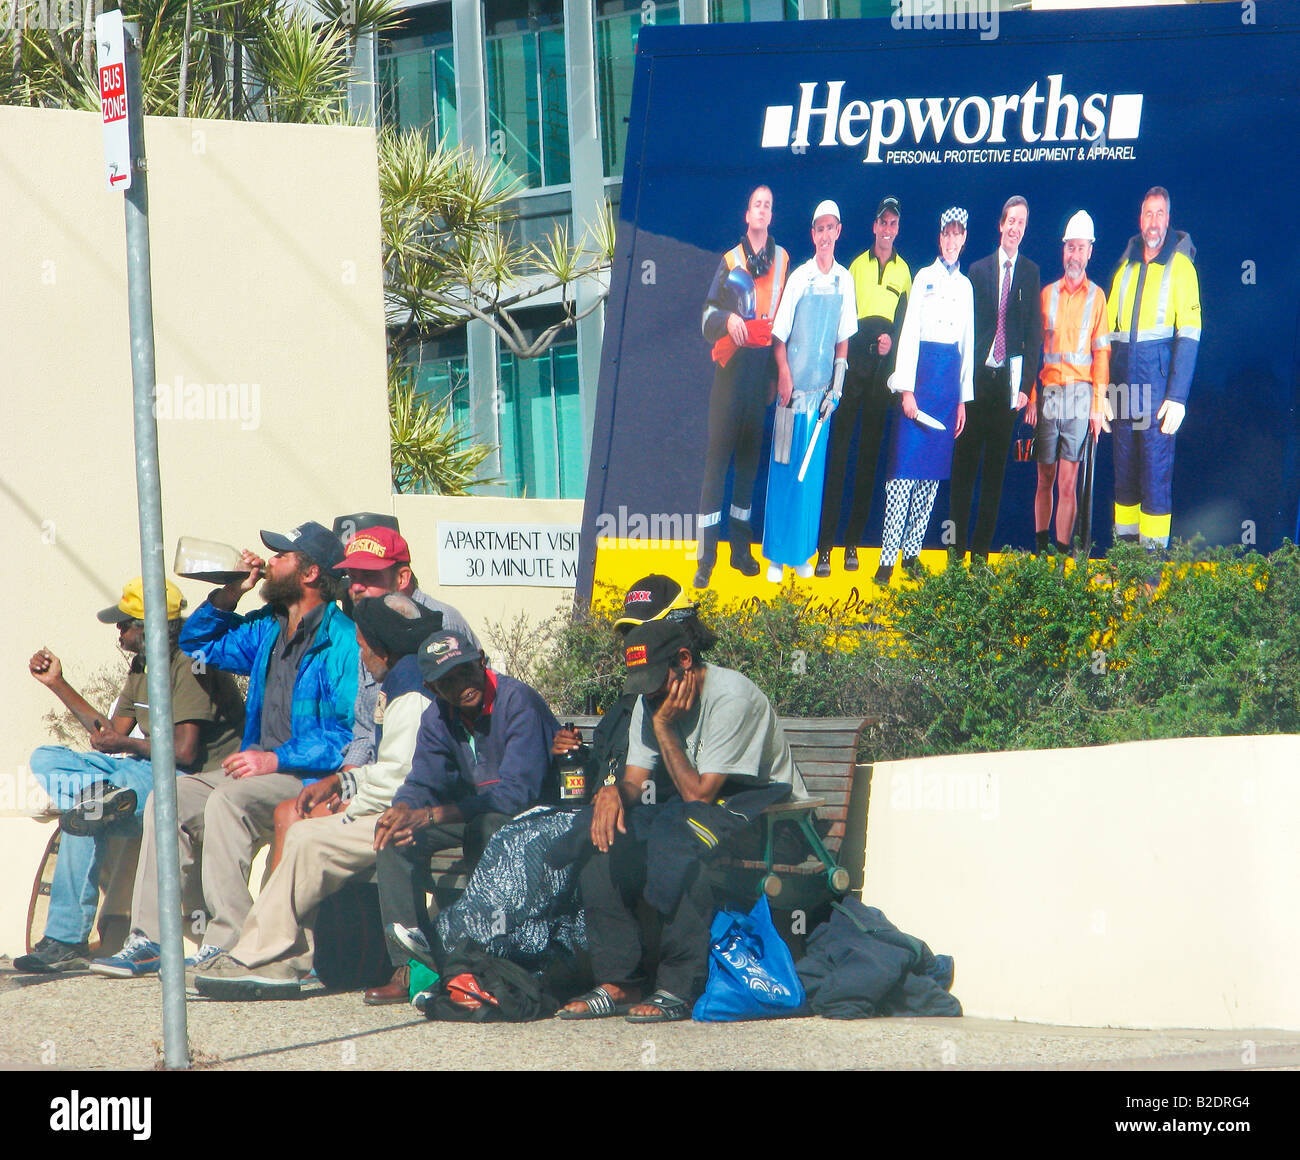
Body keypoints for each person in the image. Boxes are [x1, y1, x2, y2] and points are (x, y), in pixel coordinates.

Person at [90, 521, 357, 978]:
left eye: (281, 556)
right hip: (258, 768)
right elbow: (196, 643)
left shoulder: (343, 639)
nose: (268, 561)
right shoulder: (266, 628)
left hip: (307, 775)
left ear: (310, 573)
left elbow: (344, 733)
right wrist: (232, 591)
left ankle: (227, 939)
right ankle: (151, 939)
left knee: (228, 800)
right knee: (169, 798)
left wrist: (277, 758)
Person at [190, 594, 442, 999]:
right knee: (306, 836)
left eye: (363, 646)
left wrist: (348, 799)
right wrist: (343, 786)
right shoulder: (397, 682)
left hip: (414, 818)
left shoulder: (410, 694)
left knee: (312, 837)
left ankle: (262, 957)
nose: (360, 654)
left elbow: (400, 777)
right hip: (395, 807)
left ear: (383, 647)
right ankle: (275, 956)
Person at [559, 616, 806, 1022]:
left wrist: (663, 725)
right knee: (602, 835)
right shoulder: (648, 699)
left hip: (772, 822)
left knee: (682, 843)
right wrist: (611, 793)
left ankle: (678, 986)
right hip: (702, 808)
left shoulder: (732, 698)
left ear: (685, 661)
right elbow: (636, 783)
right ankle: (620, 980)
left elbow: (699, 794)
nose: (651, 695)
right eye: (643, 687)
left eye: (658, 682)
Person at [14, 579, 243, 973]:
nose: (119, 632)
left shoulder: (189, 662)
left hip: (185, 778)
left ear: (150, 624)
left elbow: (185, 752)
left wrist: (128, 744)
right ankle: (100, 797)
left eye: (125, 624)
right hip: (138, 769)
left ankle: (65, 939)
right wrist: (58, 683)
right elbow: (110, 731)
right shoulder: (143, 664)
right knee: (48, 758)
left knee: (85, 816)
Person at [263, 523, 478, 868]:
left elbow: (445, 735)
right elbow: (365, 726)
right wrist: (342, 783)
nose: (357, 587)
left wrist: (355, 798)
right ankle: (295, 923)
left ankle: (283, 922)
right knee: (290, 813)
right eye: (352, 577)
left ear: (403, 577)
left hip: (425, 793)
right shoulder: (369, 625)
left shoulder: (438, 624)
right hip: (376, 778)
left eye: (370, 576)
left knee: (306, 824)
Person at [362, 629, 559, 1004]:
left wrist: (434, 815)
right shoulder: (439, 716)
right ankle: (412, 967)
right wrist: (404, 807)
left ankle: (484, 963)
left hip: (532, 824)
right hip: (475, 816)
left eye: (465, 672)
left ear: (481, 662)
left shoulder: (517, 702)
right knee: (395, 837)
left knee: (489, 829)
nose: (460, 686)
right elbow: (423, 779)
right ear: (433, 689)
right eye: (446, 682)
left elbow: (517, 796)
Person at [694, 185, 790, 588]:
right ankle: (705, 558)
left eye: (769, 205)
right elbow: (705, 315)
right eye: (757, 205)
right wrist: (725, 321)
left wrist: (775, 375)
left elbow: (784, 320)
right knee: (717, 464)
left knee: (749, 466)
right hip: (730, 370)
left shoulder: (783, 259)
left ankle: (740, 551)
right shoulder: (730, 259)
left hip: (760, 373)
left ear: (771, 215)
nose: (763, 211)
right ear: (747, 215)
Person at [876, 207, 975, 585]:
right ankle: (887, 559)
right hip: (919, 381)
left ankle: (912, 555)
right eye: (946, 234)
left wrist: (963, 399)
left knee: (931, 479)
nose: (951, 241)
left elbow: (967, 343)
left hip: (948, 386)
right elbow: (908, 333)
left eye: (958, 235)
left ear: (964, 238)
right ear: (940, 238)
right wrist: (906, 389)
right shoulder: (924, 278)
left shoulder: (965, 287)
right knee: (902, 476)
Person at [816, 196, 912, 577]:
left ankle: (852, 544)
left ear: (897, 229)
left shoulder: (905, 273)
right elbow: (842, 324)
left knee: (868, 461)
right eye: (882, 222)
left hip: (880, 377)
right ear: (873, 226)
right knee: (838, 457)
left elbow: (905, 330)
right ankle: (824, 548)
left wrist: (890, 350)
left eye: (893, 224)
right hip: (852, 369)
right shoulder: (854, 266)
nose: (887, 229)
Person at [764, 199, 857, 583]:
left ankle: (802, 553)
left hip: (821, 399)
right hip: (792, 397)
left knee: (810, 480)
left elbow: (842, 340)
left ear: (838, 232)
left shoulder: (845, 280)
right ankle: (775, 557)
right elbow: (779, 336)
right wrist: (784, 375)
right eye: (818, 229)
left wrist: (836, 388)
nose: (824, 235)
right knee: (784, 472)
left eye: (829, 228)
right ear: (813, 234)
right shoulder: (799, 278)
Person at [1106, 186, 1202, 551]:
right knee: (1124, 484)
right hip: (1123, 396)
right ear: (1140, 219)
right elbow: (1106, 334)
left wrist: (1177, 397)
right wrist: (1102, 393)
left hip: (1158, 396)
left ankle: (1148, 576)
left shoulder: (1182, 268)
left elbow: (1190, 335)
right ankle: (1126, 567)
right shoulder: (1125, 268)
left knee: (1155, 481)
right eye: (1148, 214)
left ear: (1168, 218)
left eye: (1160, 213)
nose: (1153, 221)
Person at [948, 196, 1043, 562]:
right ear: (1001, 225)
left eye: (1022, 222)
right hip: (975, 387)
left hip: (1007, 390)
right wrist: (960, 386)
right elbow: (965, 330)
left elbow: (1033, 335)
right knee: (962, 476)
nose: (1016, 227)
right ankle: (955, 558)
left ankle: (980, 559)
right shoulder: (978, 270)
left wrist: (1025, 388)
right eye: (1011, 221)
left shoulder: (1031, 273)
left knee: (993, 480)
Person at [1026, 211, 1112, 555]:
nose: (1074, 255)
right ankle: (1040, 550)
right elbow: (1033, 351)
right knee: (1043, 478)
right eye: (1069, 248)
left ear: (1090, 251)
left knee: (1068, 482)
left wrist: (1097, 408)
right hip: (1047, 395)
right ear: (1063, 251)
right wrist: (1032, 396)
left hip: (1079, 396)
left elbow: (1102, 355)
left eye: (1080, 248)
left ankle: (1062, 559)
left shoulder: (1098, 298)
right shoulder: (1046, 295)